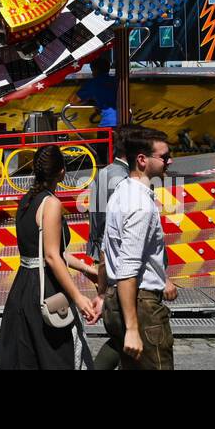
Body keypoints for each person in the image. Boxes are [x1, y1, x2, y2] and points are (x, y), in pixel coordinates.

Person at [0, 145, 101, 369]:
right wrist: (78, 297)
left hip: (23, 288)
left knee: (27, 358)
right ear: (62, 172)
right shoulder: (51, 204)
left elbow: (48, 251)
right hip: (45, 290)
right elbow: (53, 256)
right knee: (58, 357)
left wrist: (86, 269)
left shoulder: (26, 201)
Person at [101, 127, 177, 370]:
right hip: (140, 303)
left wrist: (102, 292)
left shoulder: (121, 192)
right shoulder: (140, 204)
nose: (170, 161)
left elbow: (106, 249)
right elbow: (128, 267)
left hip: (117, 299)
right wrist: (133, 329)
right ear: (142, 160)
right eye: (164, 157)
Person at [87, 124, 134, 370]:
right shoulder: (123, 179)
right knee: (125, 329)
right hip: (116, 259)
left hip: (100, 252)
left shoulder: (103, 172)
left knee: (122, 329)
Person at [75, 54, 118, 128]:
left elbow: (74, 100)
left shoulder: (93, 83)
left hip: (109, 125)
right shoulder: (116, 80)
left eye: (92, 70)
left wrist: (91, 102)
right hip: (126, 121)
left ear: (95, 70)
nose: (92, 73)